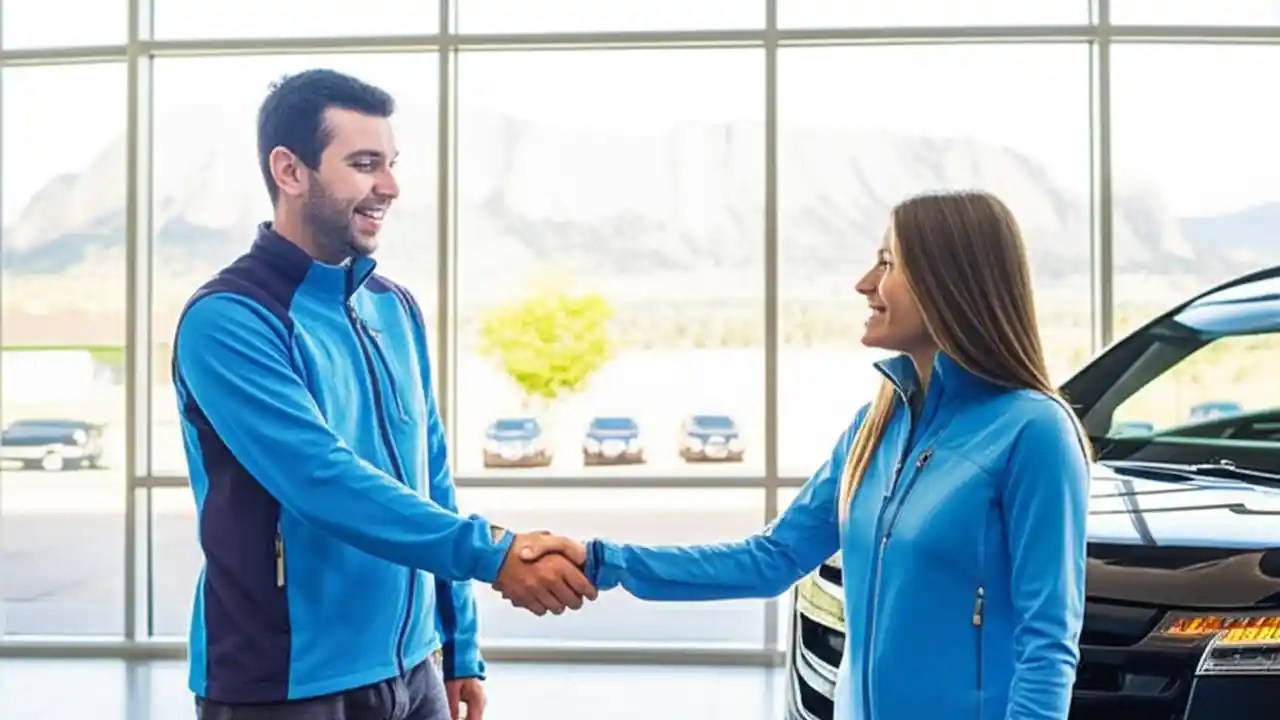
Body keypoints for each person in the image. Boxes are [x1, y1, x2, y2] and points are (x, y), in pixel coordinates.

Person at [530, 191, 1093, 720]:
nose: (865, 283)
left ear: (949, 281)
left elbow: (1047, 644)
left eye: (888, 264)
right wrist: (603, 560)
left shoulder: (1034, 432)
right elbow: (771, 558)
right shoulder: (876, 426)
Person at [171, 68, 595, 720]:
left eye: (391, 164)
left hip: (415, 669)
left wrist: (458, 644)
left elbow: (431, 477)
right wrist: (495, 553)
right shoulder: (229, 319)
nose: (390, 187)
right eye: (365, 164)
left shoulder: (393, 308)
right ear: (290, 170)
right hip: (282, 682)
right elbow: (321, 480)